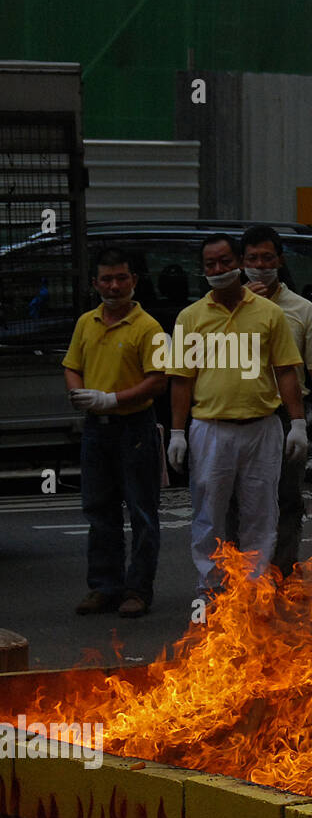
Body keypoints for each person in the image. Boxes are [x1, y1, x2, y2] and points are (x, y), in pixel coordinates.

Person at [165, 234, 307, 595]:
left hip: (262, 428)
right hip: (210, 430)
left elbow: (286, 371)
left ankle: (254, 589)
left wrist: (299, 423)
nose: (218, 270)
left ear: (239, 262)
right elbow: (181, 380)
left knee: (261, 514)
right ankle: (211, 590)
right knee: (208, 515)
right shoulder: (190, 318)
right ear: (203, 270)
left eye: (226, 262)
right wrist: (177, 432)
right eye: (210, 264)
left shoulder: (270, 313)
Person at [224, 224, 312, 578]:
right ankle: (240, 577)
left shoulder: (302, 310)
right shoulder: (223, 307)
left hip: (287, 417)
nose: (261, 265)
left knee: (286, 497)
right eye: (253, 259)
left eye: (268, 258)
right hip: (236, 414)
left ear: (280, 260)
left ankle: (283, 570)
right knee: (235, 501)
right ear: (241, 263)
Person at [61, 247, 168, 617]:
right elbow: (72, 365)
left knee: (141, 509)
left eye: (122, 277)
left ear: (134, 281)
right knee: (98, 509)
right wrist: (80, 393)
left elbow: (157, 381)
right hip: (96, 431)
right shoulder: (85, 323)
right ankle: (104, 586)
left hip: (134, 428)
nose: (114, 285)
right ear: (95, 283)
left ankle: (137, 590)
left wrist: (113, 399)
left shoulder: (148, 328)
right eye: (106, 279)